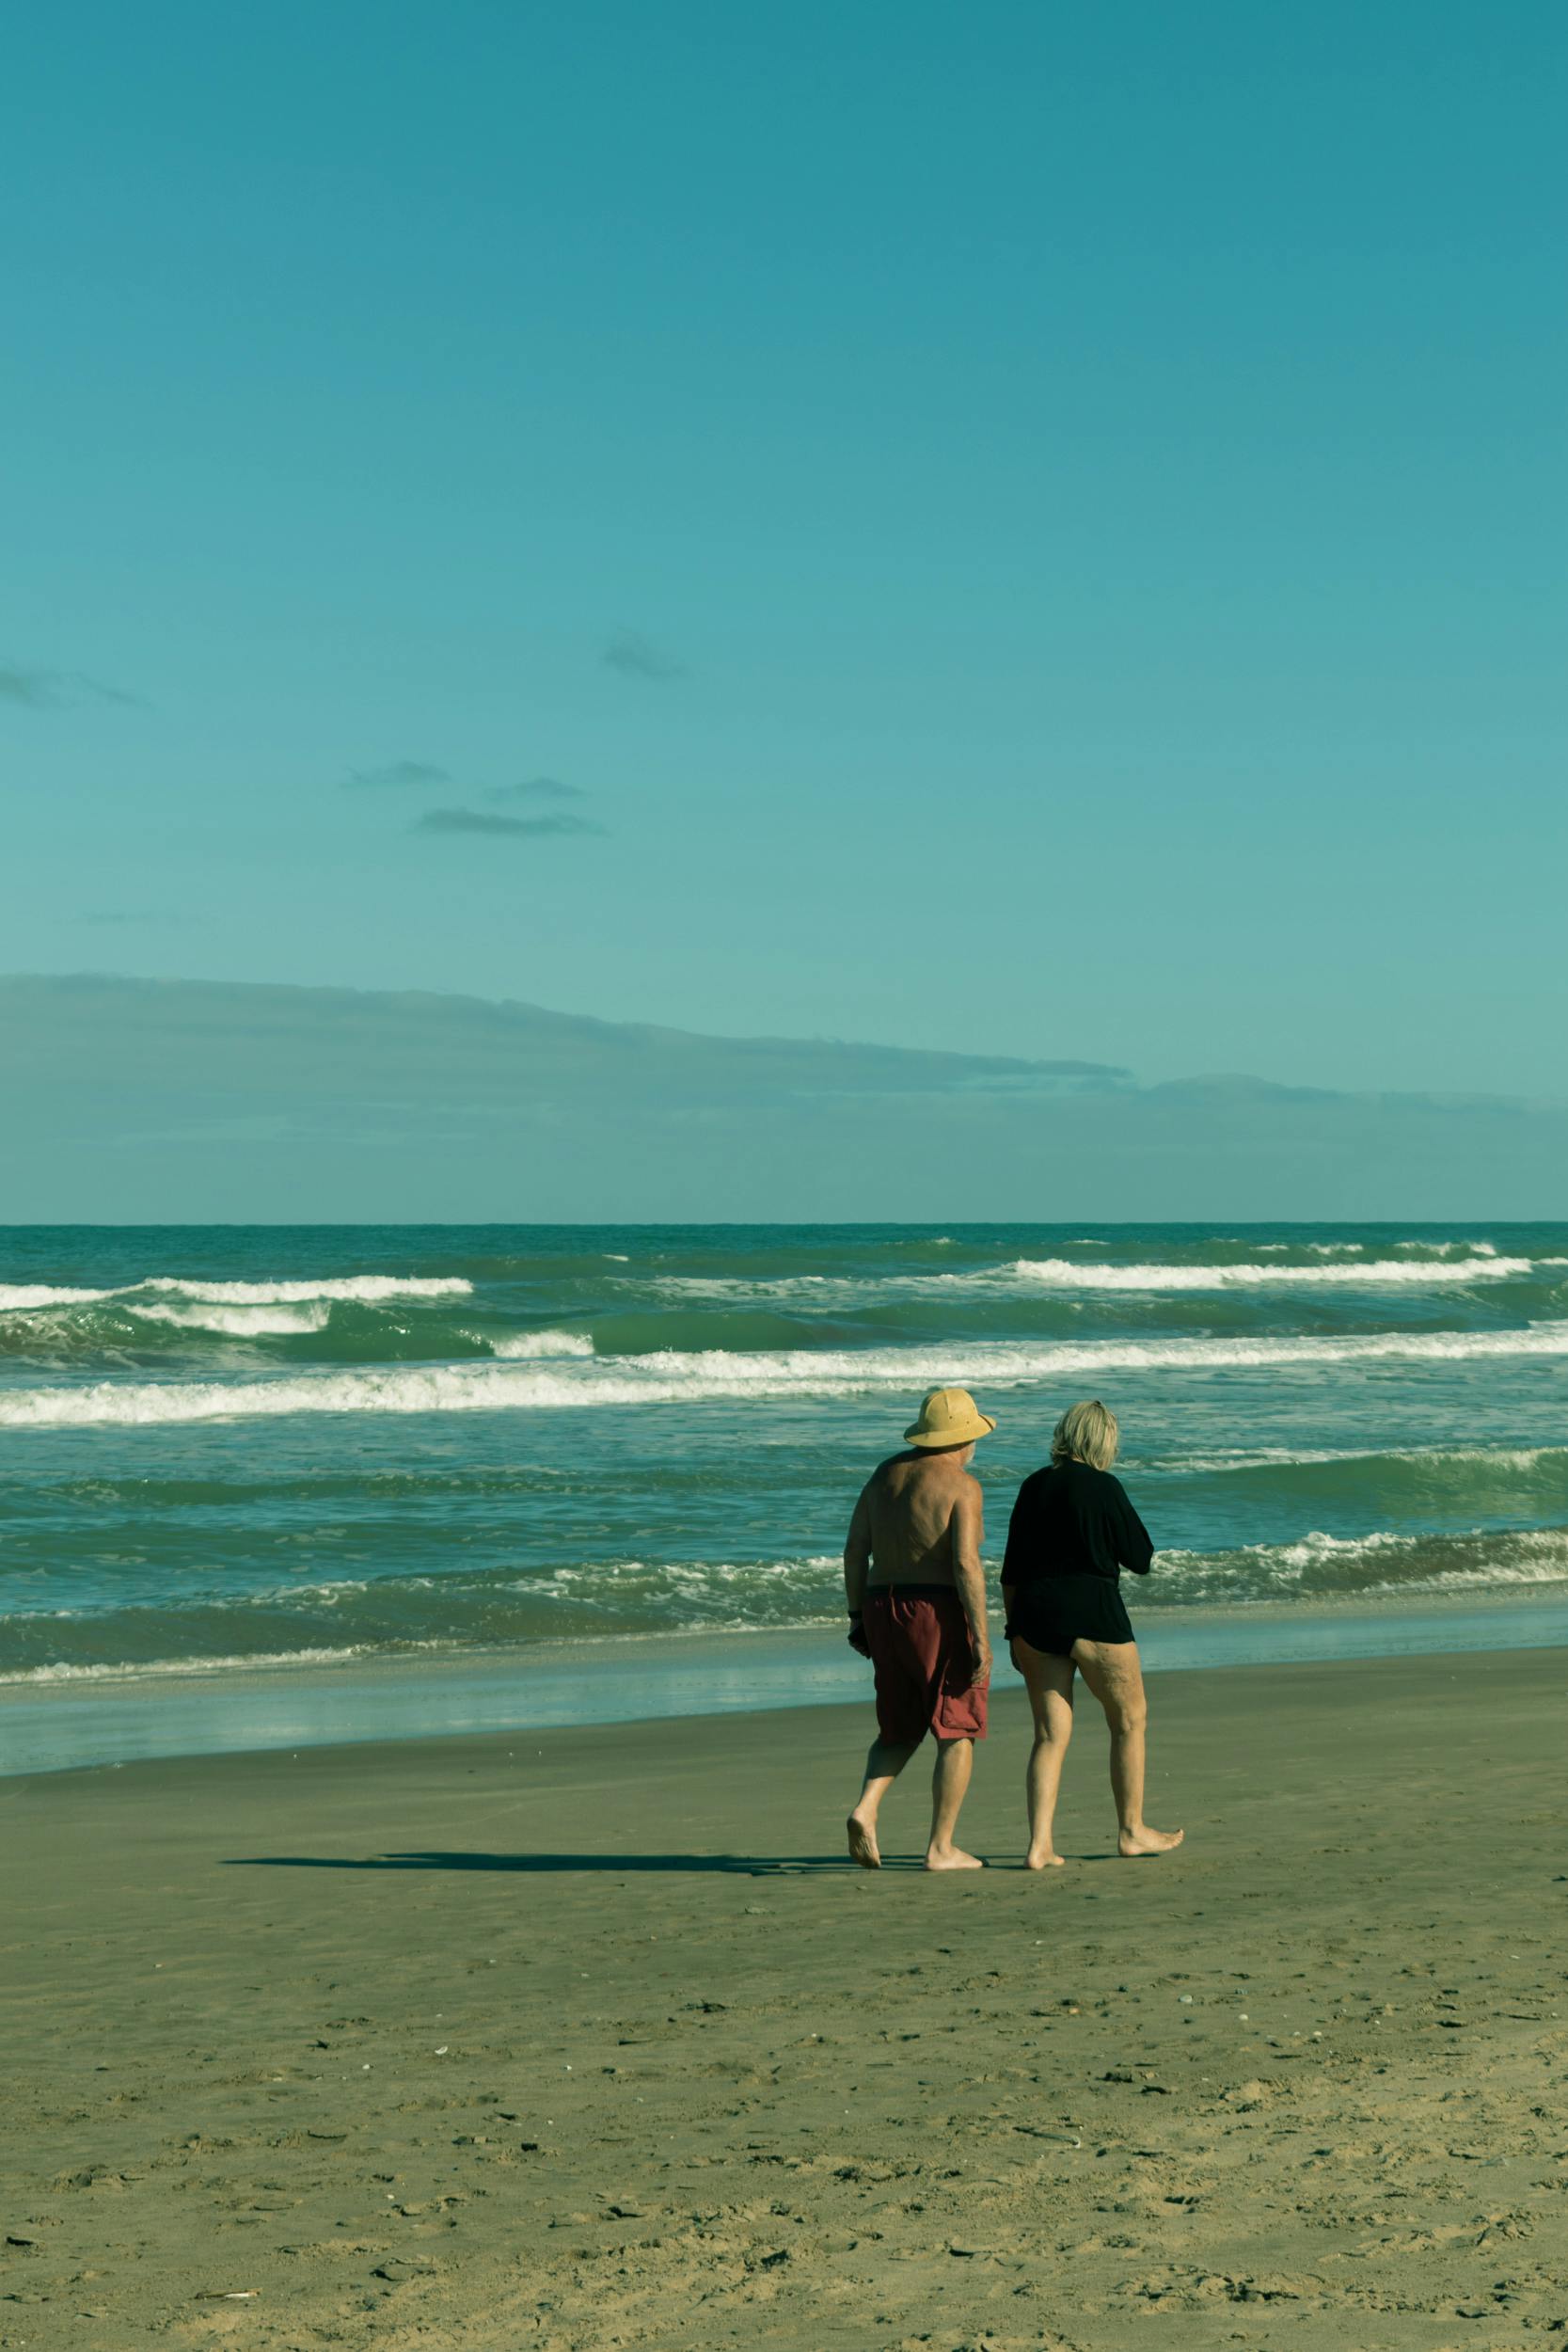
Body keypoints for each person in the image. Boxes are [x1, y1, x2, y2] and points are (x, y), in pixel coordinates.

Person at [1002, 1399, 1183, 1867]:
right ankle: (1131, 1831)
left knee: (1048, 1735)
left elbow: (1011, 1572)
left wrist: (1012, 1629)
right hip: (1093, 1610)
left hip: (1034, 1613)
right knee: (1128, 1721)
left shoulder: (1032, 1486)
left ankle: (1039, 1846)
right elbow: (1140, 1557)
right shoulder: (1104, 1487)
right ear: (1103, 1442)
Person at [842, 1386, 996, 1871]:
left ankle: (866, 1808)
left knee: (899, 1724)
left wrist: (855, 1616)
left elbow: (854, 1550)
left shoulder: (885, 1473)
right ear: (964, 1438)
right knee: (957, 1727)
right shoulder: (962, 1486)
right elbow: (967, 1566)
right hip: (937, 1609)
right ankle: (941, 1847)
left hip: (880, 1605)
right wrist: (981, 1640)